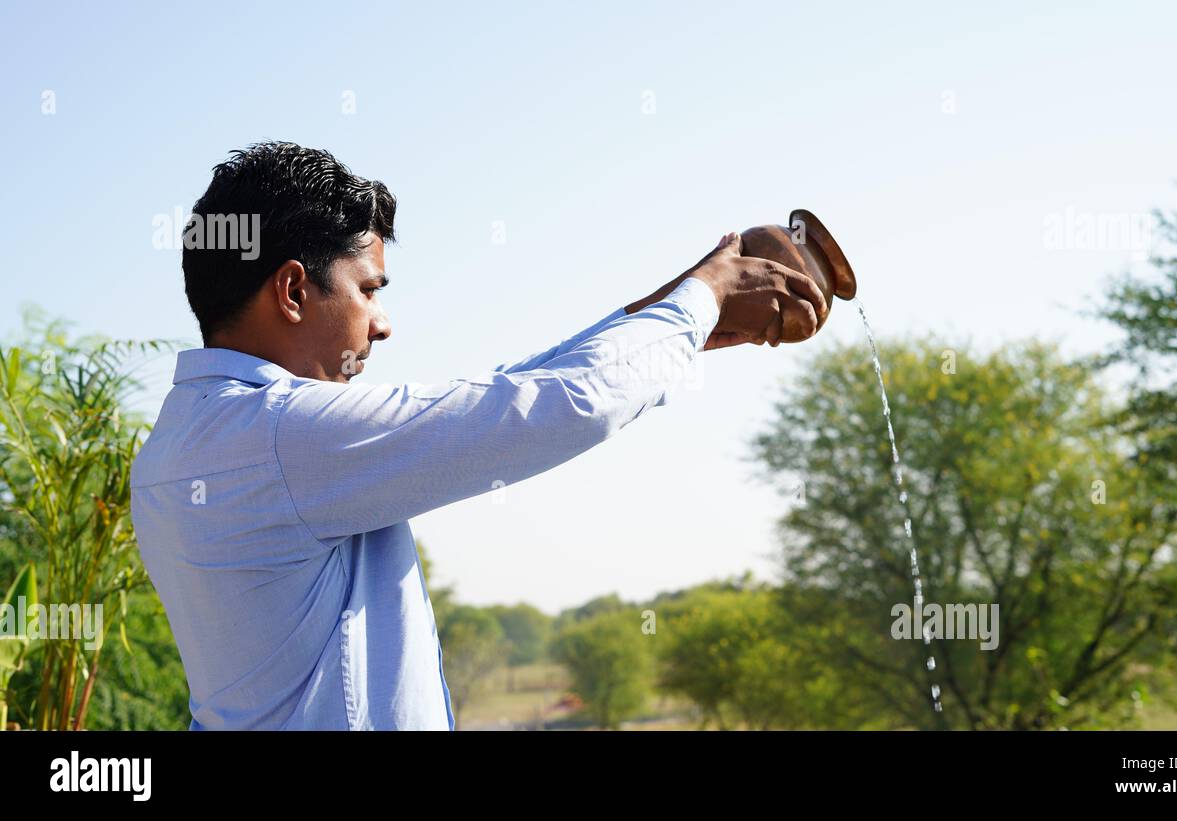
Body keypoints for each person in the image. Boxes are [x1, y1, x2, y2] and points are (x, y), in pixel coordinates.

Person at [129, 141, 826, 730]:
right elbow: (557, 405)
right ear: (292, 290)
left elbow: (509, 391)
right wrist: (700, 299)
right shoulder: (282, 439)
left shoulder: (185, 442)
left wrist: (681, 309)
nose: (382, 322)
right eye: (369, 289)